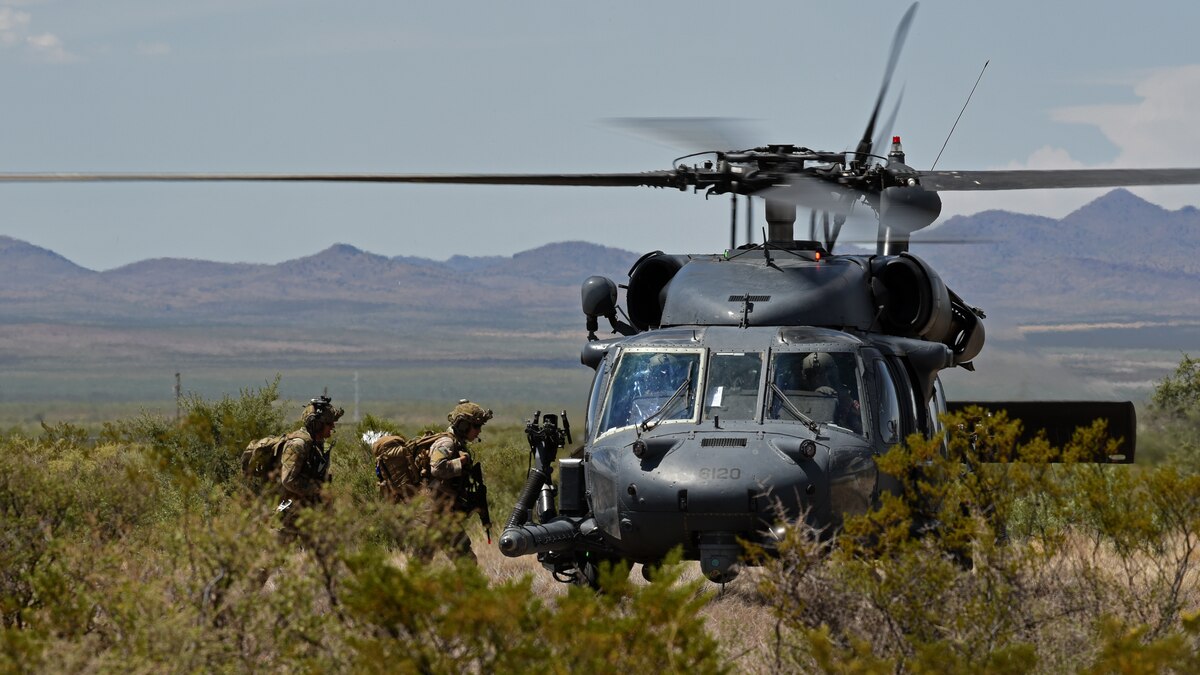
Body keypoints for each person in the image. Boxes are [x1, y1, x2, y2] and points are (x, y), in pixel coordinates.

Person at [424, 399, 493, 561]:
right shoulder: (446, 443)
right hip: (433, 513)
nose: (479, 431)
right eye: (476, 426)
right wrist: (460, 463)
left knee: (423, 561)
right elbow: (437, 468)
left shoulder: (458, 444)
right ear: (463, 425)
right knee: (465, 562)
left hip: (439, 514)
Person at [278, 395, 344, 539]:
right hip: (289, 509)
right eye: (329, 423)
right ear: (317, 424)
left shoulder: (316, 444)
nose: (333, 427)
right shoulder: (298, 445)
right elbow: (288, 480)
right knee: (278, 553)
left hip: (307, 509)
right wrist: (317, 489)